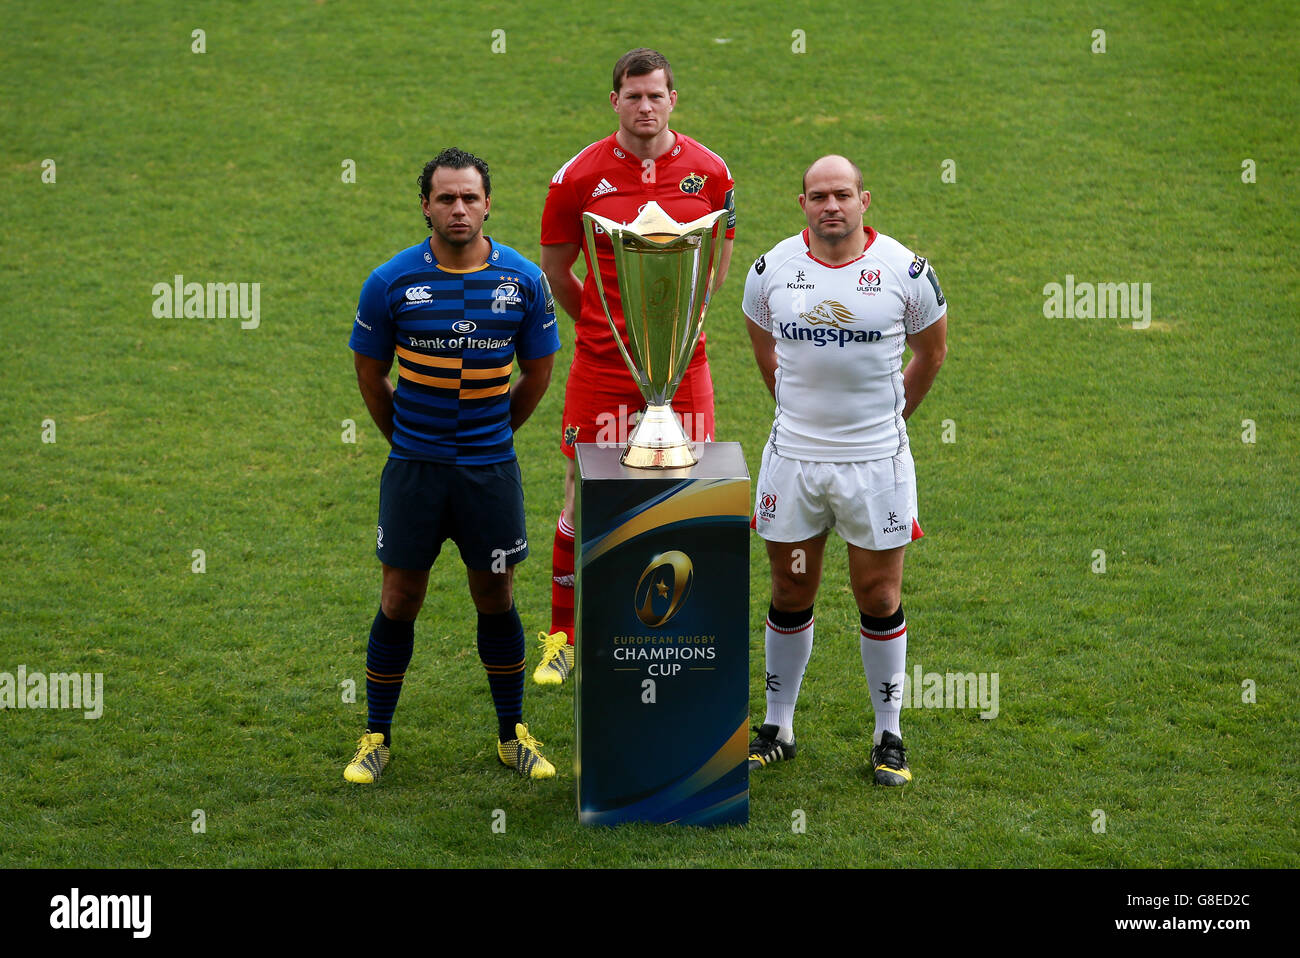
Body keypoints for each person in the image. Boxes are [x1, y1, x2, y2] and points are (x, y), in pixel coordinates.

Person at [343, 147, 561, 783]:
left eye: (470, 197)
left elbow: (539, 370)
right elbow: (370, 372)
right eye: (446, 198)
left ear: (488, 203)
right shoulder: (391, 282)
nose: (459, 209)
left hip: (490, 472)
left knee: (495, 595)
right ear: (426, 206)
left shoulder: (521, 281)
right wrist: (409, 438)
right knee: (399, 595)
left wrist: (491, 433)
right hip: (415, 471)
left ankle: (510, 733)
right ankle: (376, 735)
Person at [742, 155, 948, 786]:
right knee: (790, 590)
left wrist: (890, 419)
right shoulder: (770, 270)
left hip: (875, 466)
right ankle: (779, 725)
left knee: (879, 594)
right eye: (817, 196)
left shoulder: (907, 273)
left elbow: (931, 352)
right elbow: (763, 348)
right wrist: (803, 419)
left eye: (842, 195)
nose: (830, 206)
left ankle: (889, 735)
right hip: (795, 464)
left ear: (865, 200)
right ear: (801, 203)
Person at [535, 47, 736, 685]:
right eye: (633, 95)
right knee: (582, 490)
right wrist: (601, 325)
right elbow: (557, 268)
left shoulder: (711, 173)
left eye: (656, 95)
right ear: (614, 102)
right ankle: (563, 635)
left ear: (673, 99)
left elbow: (715, 265)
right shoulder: (577, 177)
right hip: (603, 364)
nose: (645, 106)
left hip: (682, 366)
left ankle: (680, 629)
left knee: (692, 489)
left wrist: (677, 334)